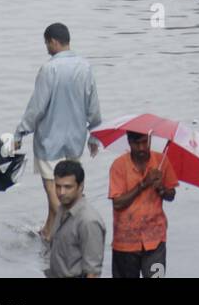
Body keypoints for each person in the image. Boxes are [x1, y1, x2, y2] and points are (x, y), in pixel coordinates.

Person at [14, 23, 102, 243]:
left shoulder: (49, 69)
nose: (46, 47)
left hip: (49, 143)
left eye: (46, 43)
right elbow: (93, 105)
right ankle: (48, 232)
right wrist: (94, 135)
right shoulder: (85, 67)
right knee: (68, 187)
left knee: (54, 192)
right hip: (75, 141)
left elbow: (37, 107)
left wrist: (20, 132)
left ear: (53, 41)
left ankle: (70, 235)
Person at [108, 131, 178, 279]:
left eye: (144, 142)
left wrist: (161, 189)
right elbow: (118, 203)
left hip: (155, 240)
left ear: (150, 140)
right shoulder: (118, 166)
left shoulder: (161, 161)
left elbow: (171, 195)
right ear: (129, 142)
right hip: (125, 242)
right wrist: (143, 184)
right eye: (136, 143)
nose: (141, 148)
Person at [47, 161, 105, 279]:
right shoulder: (62, 209)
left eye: (68, 187)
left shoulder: (88, 221)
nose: (61, 192)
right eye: (58, 186)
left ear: (80, 186)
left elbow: (93, 272)